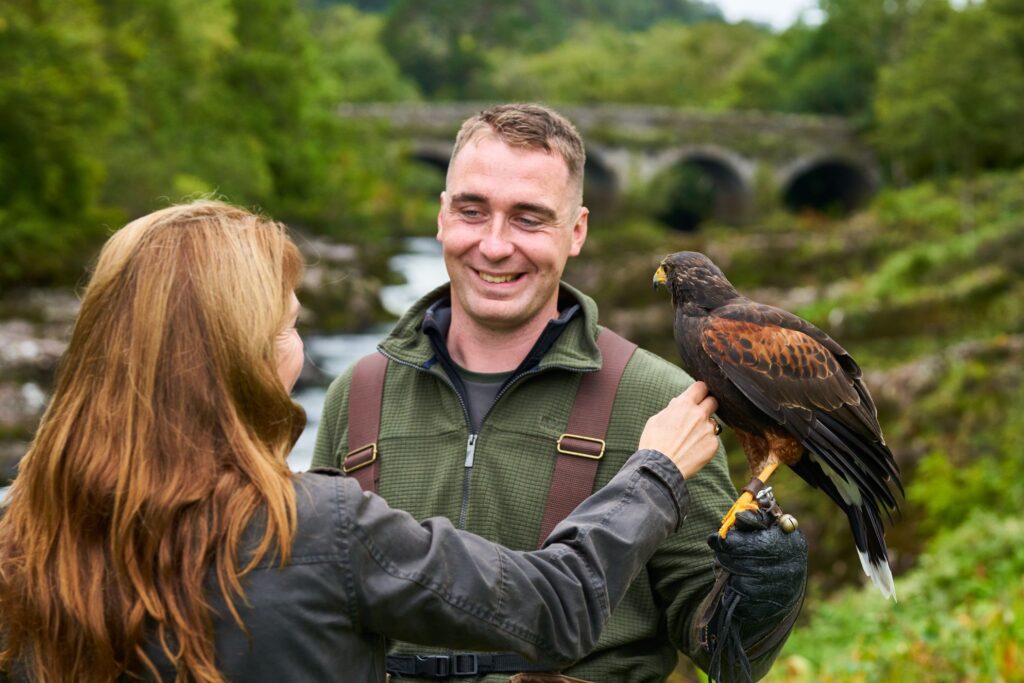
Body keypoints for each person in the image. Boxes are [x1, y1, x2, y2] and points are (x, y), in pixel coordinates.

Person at [0, 201, 725, 683]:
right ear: (235, 356)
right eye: (286, 328)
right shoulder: (315, 527)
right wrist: (654, 470)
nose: (301, 352)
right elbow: (555, 604)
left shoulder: (23, 536)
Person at [312, 104, 808, 682]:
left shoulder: (663, 400)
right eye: (473, 211)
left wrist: (763, 588)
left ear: (576, 231)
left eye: (529, 219)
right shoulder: (357, 392)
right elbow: (312, 610)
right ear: (442, 217)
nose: (495, 246)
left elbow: (721, 645)